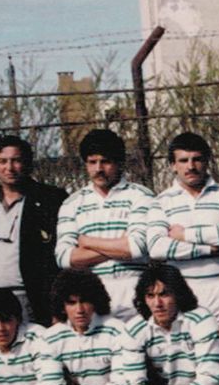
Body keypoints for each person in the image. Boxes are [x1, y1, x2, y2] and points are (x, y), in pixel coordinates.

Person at [147, 133, 219, 342]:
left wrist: (183, 236)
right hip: (183, 296)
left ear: (207, 161)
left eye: (197, 159)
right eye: (183, 160)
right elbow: (156, 247)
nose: (191, 166)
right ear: (172, 165)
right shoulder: (160, 202)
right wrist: (208, 248)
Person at [118, 265, 219, 385]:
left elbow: (210, 378)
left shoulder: (201, 319)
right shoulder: (134, 328)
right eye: (150, 296)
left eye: (164, 294)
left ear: (178, 294)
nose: (157, 304)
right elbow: (135, 381)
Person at [55, 129, 154, 324]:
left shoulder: (141, 196)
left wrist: (87, 242)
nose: (99, 169)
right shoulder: (72, 203)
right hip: (91, 297)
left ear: (119, 162)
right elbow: (65, 258)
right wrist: (120, 245)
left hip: (135, 293)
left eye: (106, 161)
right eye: (92, 162)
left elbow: (137, 247)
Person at [0, 135, 68, 325]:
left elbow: (60, 253)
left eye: (16, 160)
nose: (9, 168)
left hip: (36, 298)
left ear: (27, 163)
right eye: (2, 161)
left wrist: (58, 305)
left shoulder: (50, 198)